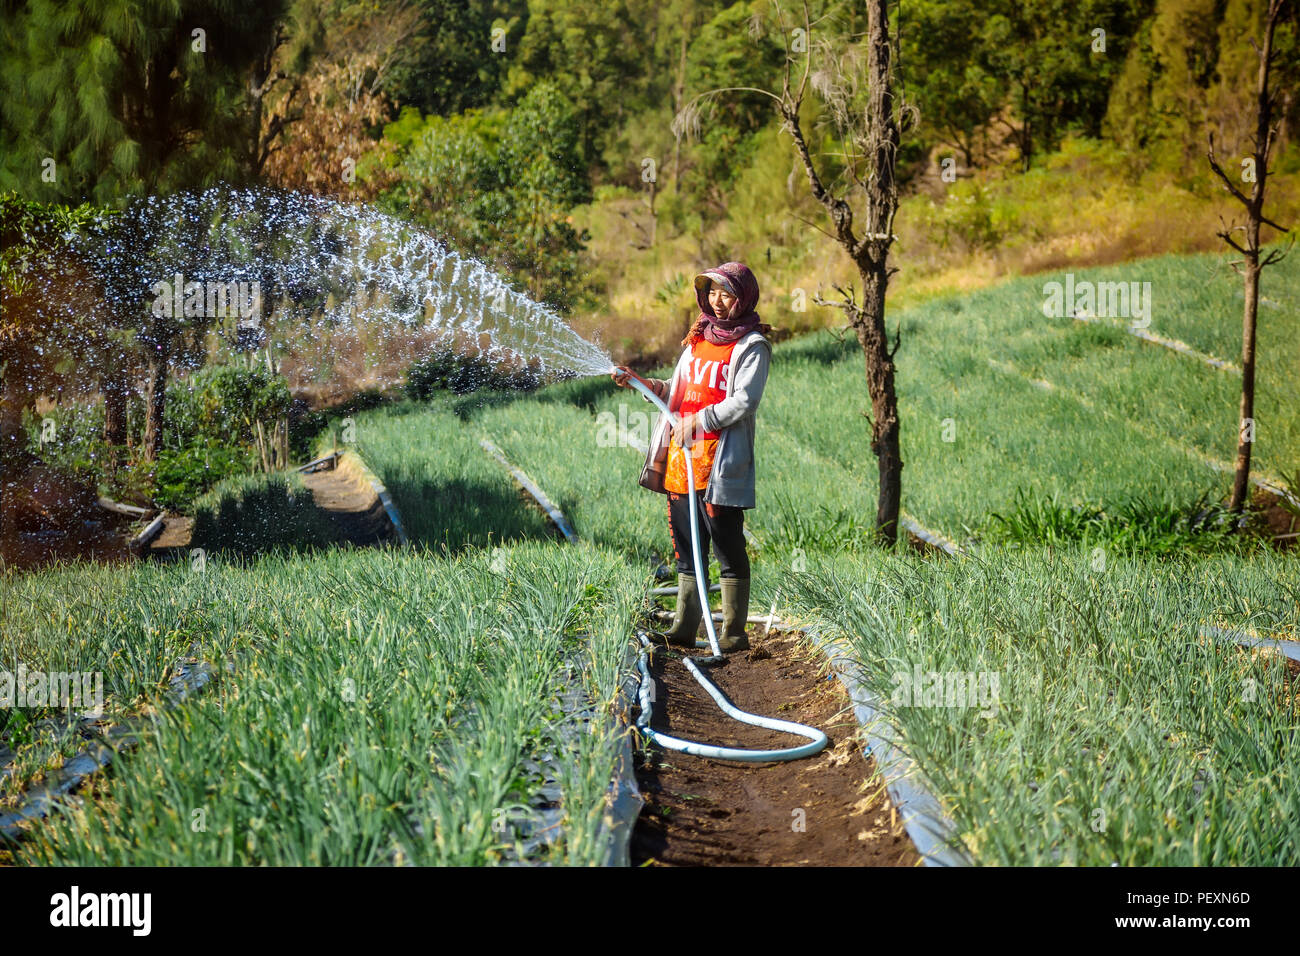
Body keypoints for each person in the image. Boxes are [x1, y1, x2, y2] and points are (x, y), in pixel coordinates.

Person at [611, 261, 772, 653]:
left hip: (718, 463)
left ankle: (733, 634)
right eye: (712, 292)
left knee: (727, 544)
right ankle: (685, 628)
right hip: (682, 461)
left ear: (743, 297)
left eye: (727, 294)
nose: (718, 302)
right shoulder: (697, 337)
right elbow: (678, 389)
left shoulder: (751, 345)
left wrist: (698, 422)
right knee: (687, 546)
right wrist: (646, 384)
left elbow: (745, 401)